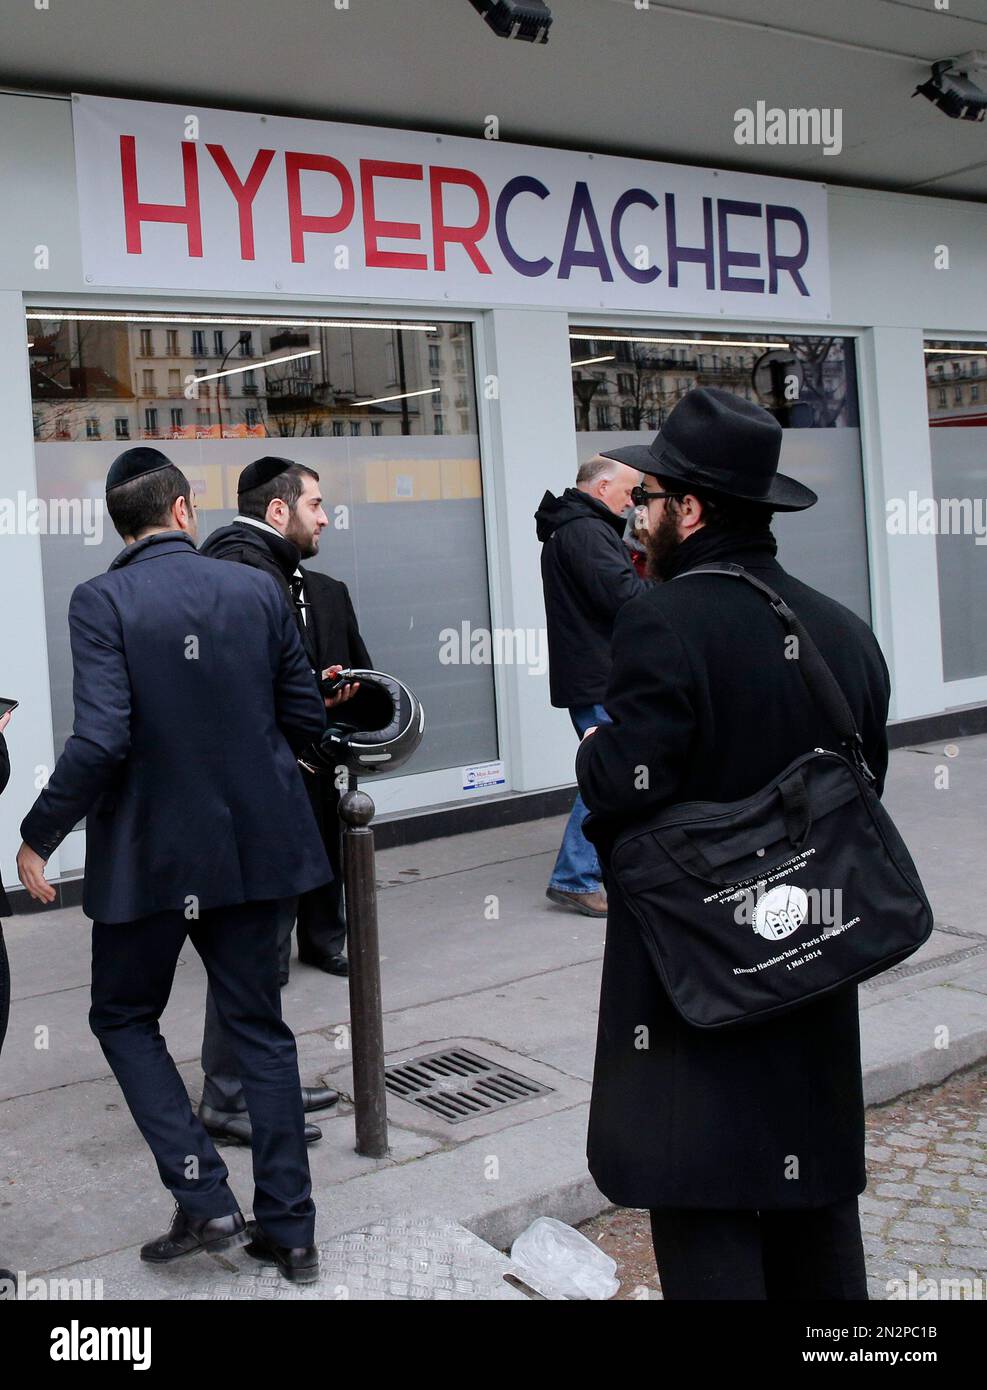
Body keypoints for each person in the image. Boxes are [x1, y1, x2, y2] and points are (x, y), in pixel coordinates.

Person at [576, 388, 891, 1300]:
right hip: (813, 961)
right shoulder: (844, 631)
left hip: (695, 985)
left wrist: (598, 753)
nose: (635, 516)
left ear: (692, 510)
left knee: (707, 1209)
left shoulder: (661, 622)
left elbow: (623, 796)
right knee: (815, 1210)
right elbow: (862, 793)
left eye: (647, 498)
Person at [17, 447, 330, 1283]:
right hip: (256, 851)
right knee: (260, 1029)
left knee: (123, 1017)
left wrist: (38, 832)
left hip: (151, 858)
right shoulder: (257, 588)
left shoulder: (102, 600)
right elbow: (303, 715)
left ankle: (205, 1196)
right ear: (184, 511)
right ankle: (291, 1234)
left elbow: (102, 739)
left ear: (121, 526)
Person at [195, 456, 363, 1145]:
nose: (325, 517)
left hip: (259, 788)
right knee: (252, 949)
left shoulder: (259, 565)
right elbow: (242, 690)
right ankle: (234, 1096)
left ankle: (256, 1078)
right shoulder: (246, 569)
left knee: (261, 952)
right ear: (276, 510)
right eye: (316, 504)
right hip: (254, 796)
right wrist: (305, 707)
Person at [534, 456, 645, 917]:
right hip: (601, 675)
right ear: (602, 487)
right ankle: (575, 877)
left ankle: (592, 872)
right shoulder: (584, 531)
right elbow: (625, 598)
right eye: (629, 489)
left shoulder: (579, 526)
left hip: (594, 673)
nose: (634, 498)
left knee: (613, 768)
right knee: (610, 771)